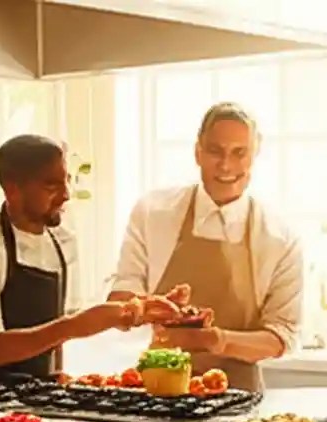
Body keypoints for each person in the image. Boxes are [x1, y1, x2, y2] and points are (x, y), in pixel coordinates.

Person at [109, 102, 303, 391]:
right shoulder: (152, 213)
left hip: (238, 400)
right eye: (215, 151)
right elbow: (122, 298)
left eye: (239, 153)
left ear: (255, 155)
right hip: (151, 393)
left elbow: (281, 336)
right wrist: (151, 311)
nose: (226, 165)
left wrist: (212, 340)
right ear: (197, 152)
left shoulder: (280, 237)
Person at [0, 134, 152, 380]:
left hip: (26, 392)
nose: (66, 194)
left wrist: (130, 312)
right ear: (12, 190)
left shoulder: (63, 241)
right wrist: (74, 324)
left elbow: (63, 329)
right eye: (51, 185)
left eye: (66, 181)